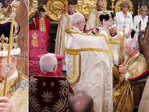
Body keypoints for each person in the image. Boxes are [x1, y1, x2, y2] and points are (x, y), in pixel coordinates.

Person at [65, 13, 113, 112]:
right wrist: (104, 31)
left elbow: (84, 38)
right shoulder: (75, 36)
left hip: (78, 74)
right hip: (82, 77)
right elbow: (92, 42)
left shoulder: (73, 33)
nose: (84, 25)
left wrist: (93, 33)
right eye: (83, 23)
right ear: (79, 23)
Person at [113, 39, 148, 112]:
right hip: (124, 84)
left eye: (127, 48)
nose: (125, 50)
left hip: (132, 89)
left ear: (134, 49)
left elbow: (135, 78)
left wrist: (125, 72)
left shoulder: (140, 61)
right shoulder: (130, 56)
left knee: (114, 98)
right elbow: (125, 67)